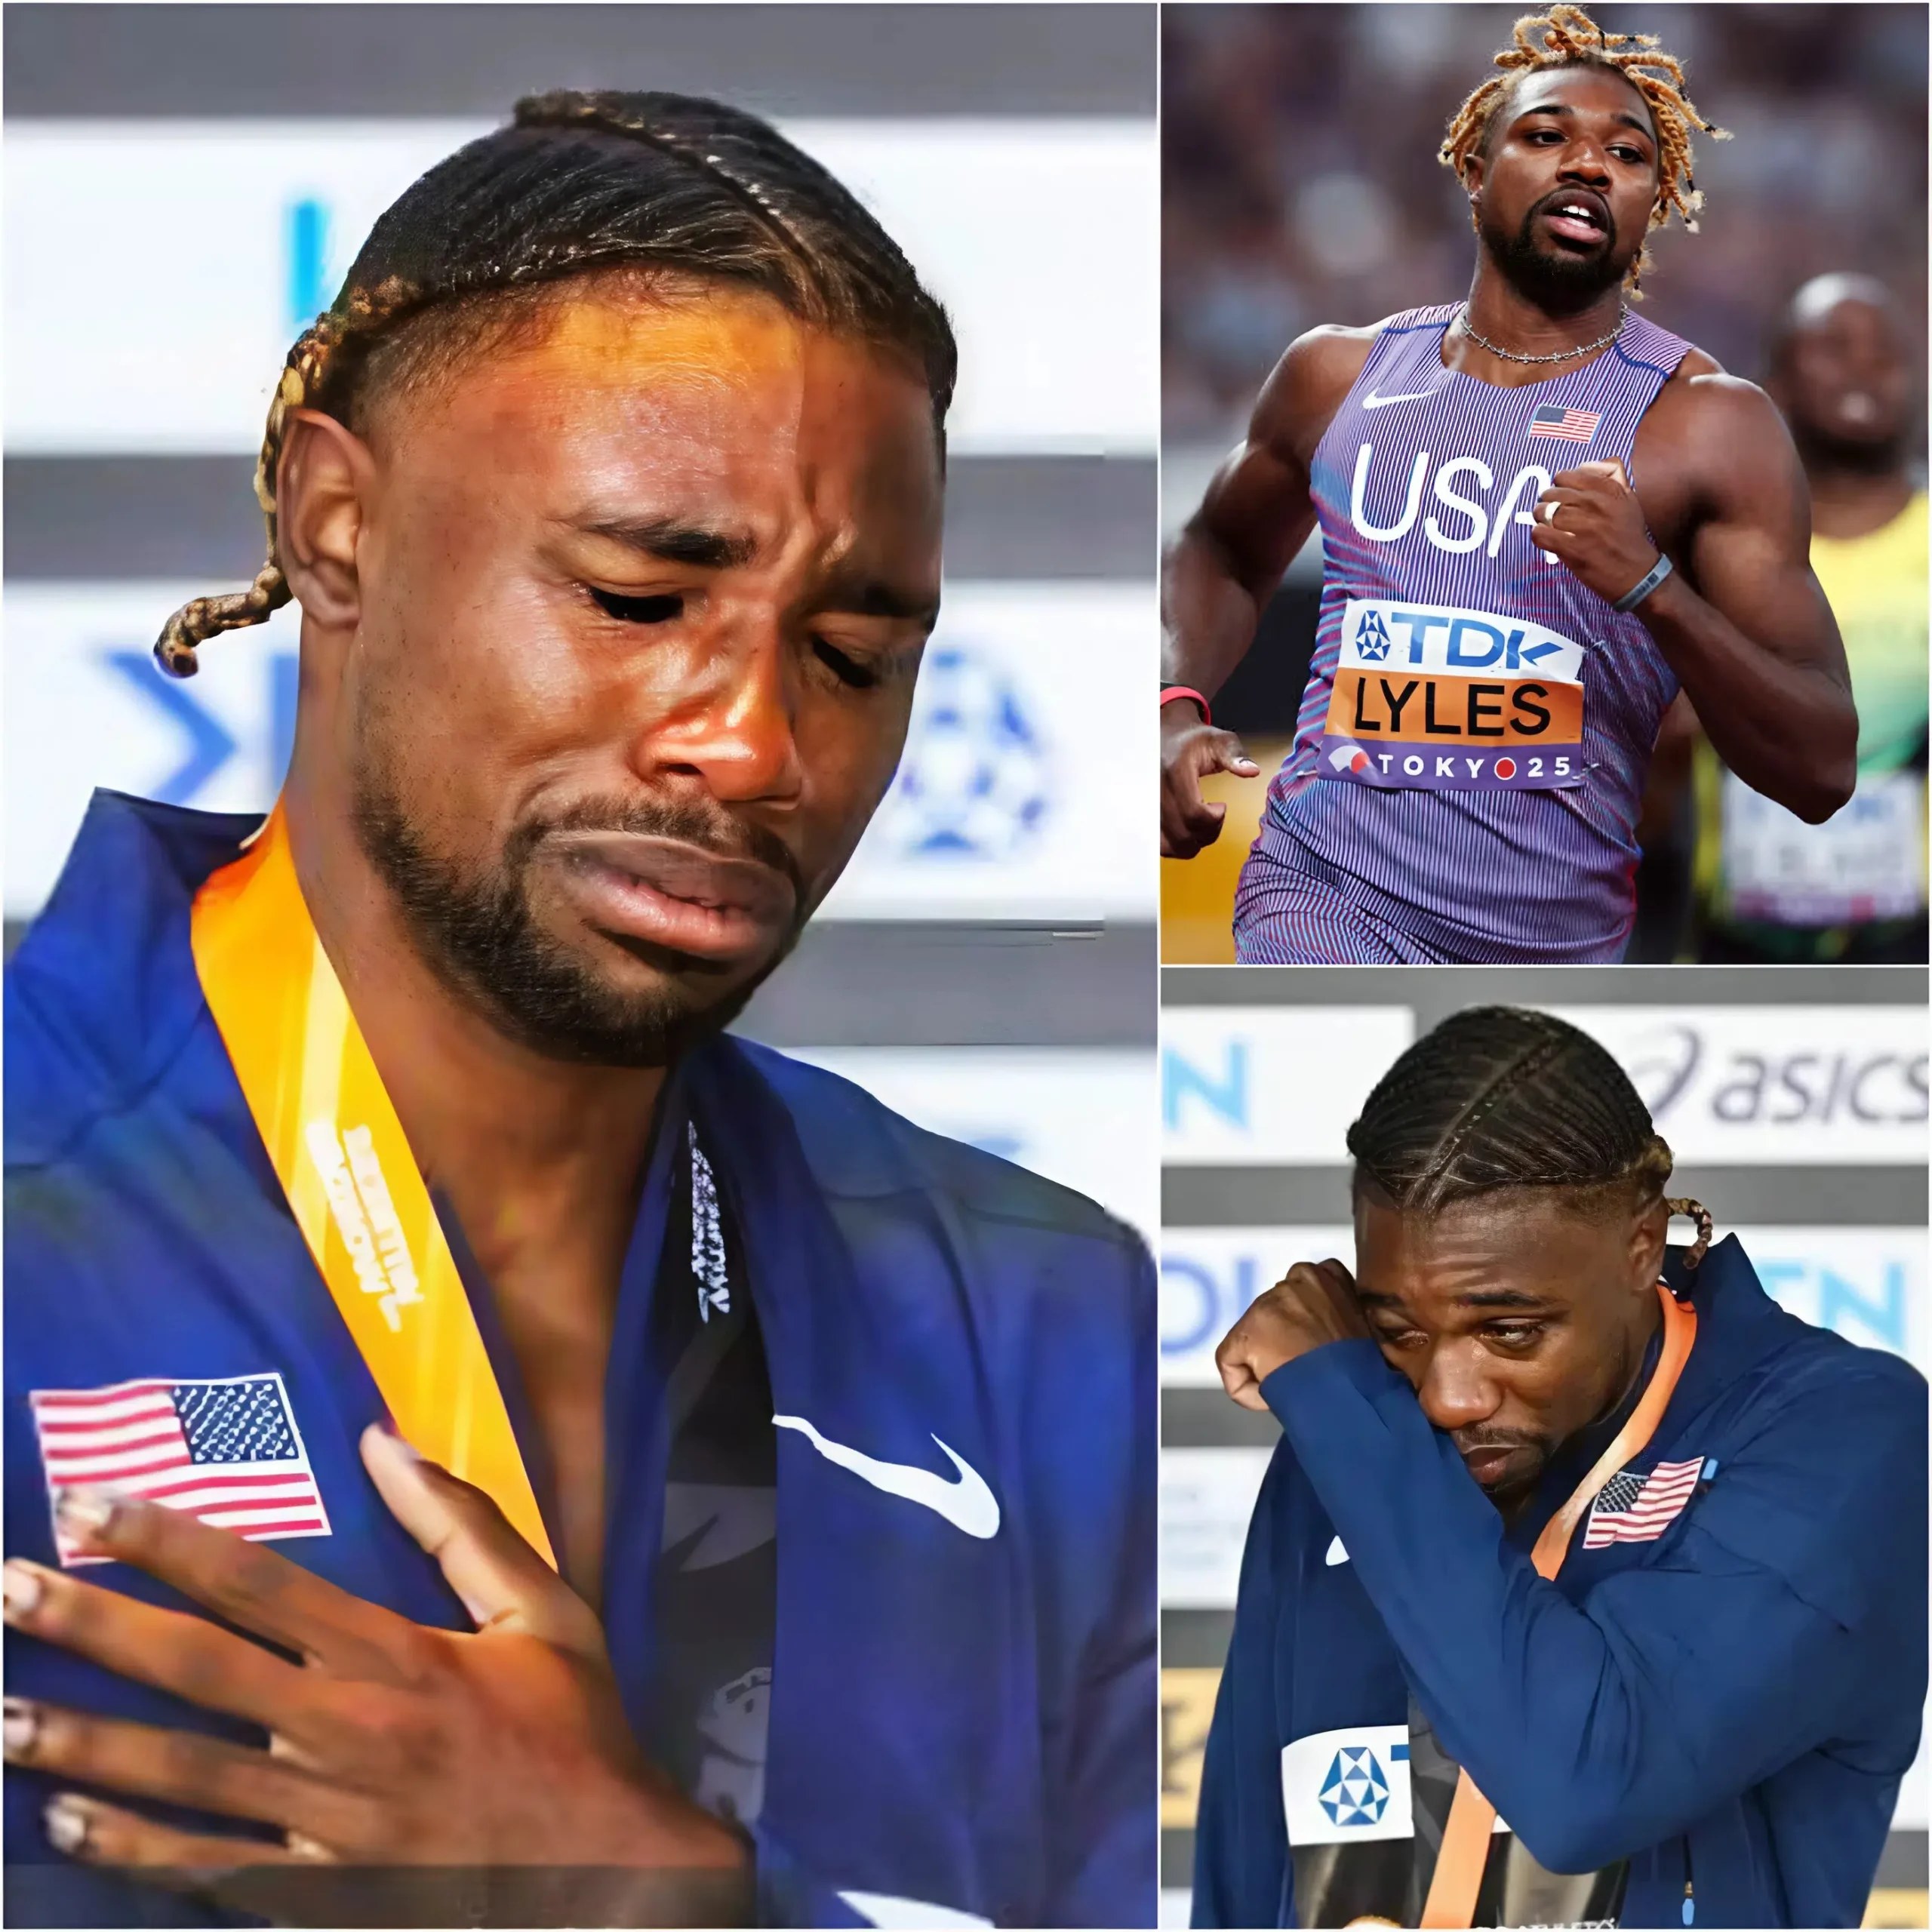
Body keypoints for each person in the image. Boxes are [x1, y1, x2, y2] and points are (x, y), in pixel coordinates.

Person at [2, 92, 1155, 1930]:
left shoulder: (1035, 1317)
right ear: (334, 525)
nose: (756, 742)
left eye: (855, 653)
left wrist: (652, 1899)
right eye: (638, 594)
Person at [1192, 1006, 1927, 1930]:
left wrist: (1349, 1415)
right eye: (1396, 1331)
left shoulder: (1838, 1428)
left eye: (1509, 1331)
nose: (1447, 1395)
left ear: (1640, 1246)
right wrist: (1347, 1411)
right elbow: (1246, 1852)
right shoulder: (1352, 1430)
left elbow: (1584, 1782)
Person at [1159, 6, 1857, 964]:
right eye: (1544, 136)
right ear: (1476, 170)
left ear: (1653, 201)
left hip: (1555, 947)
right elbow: (1218, 551)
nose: (1586, 164)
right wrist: (1174, 705)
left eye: (1626, 153)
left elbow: (1822, 767)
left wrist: (1650, 588)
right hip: (1321, 896)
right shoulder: (1337, 376)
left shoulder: (1709, 427)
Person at [1675, 274, 1927, 962]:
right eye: (1833, 346)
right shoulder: (1710, 549)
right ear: (1773, 385)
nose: (1863, 366)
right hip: (1732, 945)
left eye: (1886, 351)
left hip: (1910, 949)